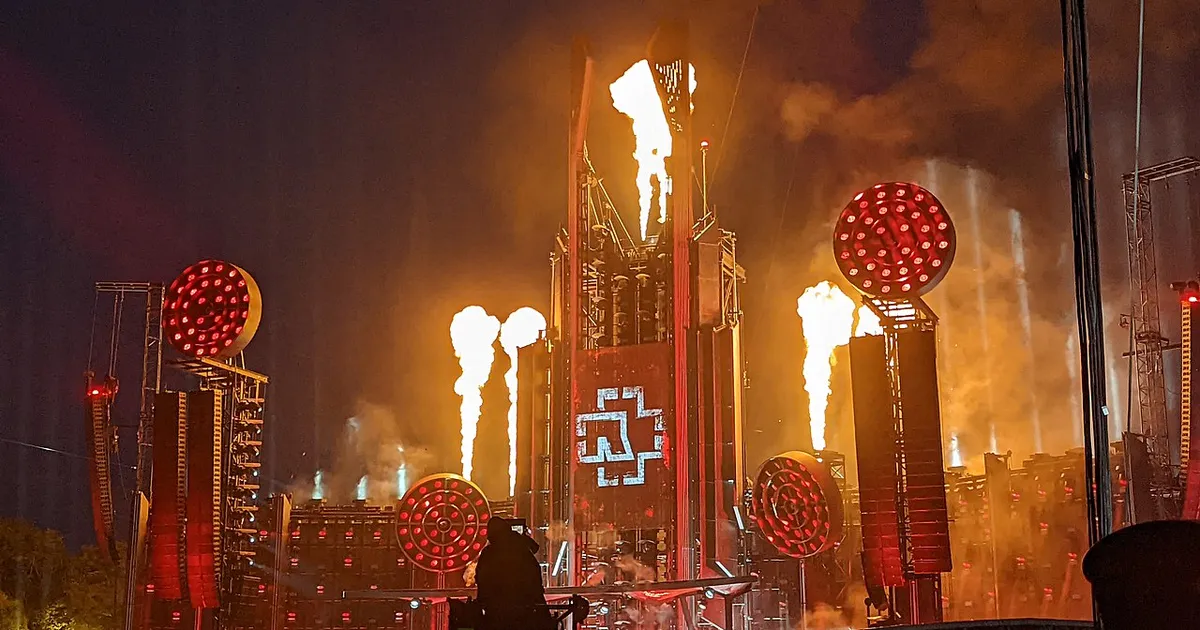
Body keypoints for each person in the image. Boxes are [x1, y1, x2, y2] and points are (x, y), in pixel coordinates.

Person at [474, 520, 553, 630]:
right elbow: (534, 576)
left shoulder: (489, 553)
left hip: (496, 611)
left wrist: (482, 602)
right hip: (524, 609)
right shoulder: (521, 549)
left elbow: (481, 579)